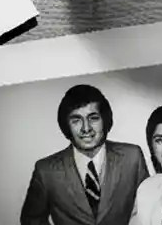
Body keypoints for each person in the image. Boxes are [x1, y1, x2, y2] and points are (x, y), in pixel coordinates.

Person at [21, 84, 150, 225]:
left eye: (93, 118)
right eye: (76, 120)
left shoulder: (132, 157)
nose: (86, 128)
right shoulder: (46, 171)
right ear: (66, 125)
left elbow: (149, 210)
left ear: (105, 120)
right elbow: (31, 220)